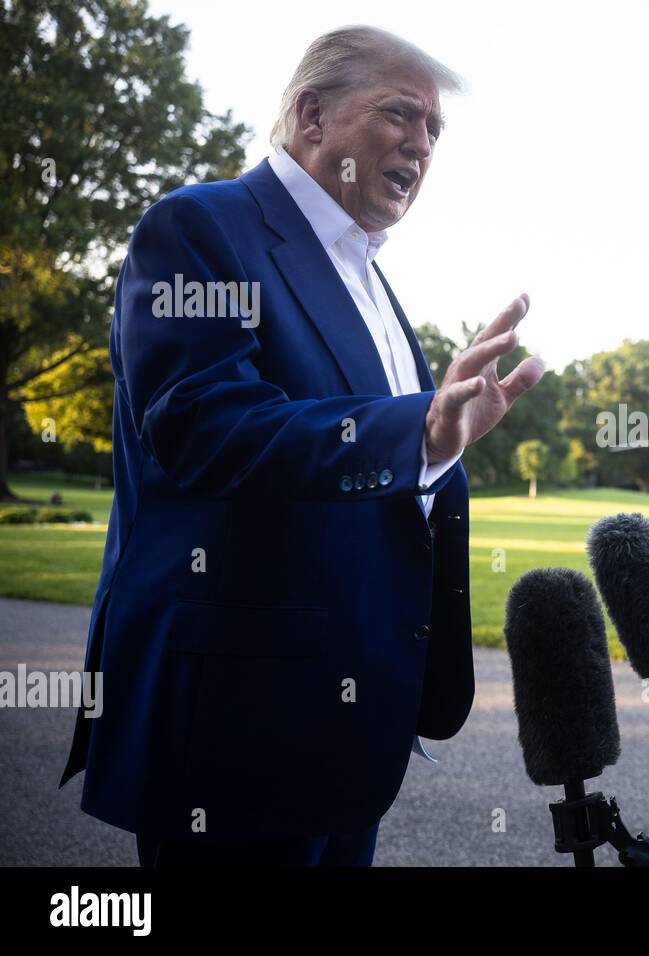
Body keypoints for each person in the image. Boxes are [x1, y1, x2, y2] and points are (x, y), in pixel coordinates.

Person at [58, 26, 546, 866]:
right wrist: (418, 431)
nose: (423, 146)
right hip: (236, 724)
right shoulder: (196, 228)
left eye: (436, 132)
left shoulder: (369, 273)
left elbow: (388, 482)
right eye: (402, 115)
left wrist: (436, 450)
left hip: (349, 726)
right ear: (313, 114)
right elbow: (203, 426)